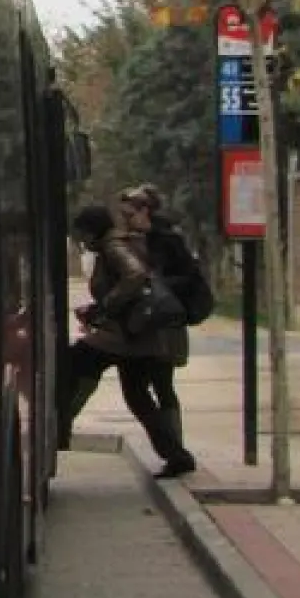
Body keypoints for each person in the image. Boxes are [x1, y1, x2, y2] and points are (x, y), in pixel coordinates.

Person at [56, 202, 197, 479]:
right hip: (135, 335)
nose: (82, 241)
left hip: (124, 336)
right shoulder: (121, 243)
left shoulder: (113, 247)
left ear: (93, 231)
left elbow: (134, 275)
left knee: (77, 361)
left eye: (83, 234)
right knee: (138, 396)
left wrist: (105, 306)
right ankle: (178, 456)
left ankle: (61, 425)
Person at [115, 183, 199, 478]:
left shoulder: (166, 241)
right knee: (152, 387)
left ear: (144, 210)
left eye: (129, 214)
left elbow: (186, 277)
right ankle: (174, 450)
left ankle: (176, 450)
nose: (126, 220)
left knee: (161, 386)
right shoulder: (135, 240)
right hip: (149, 323)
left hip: (165, 323)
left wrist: (154, 285)